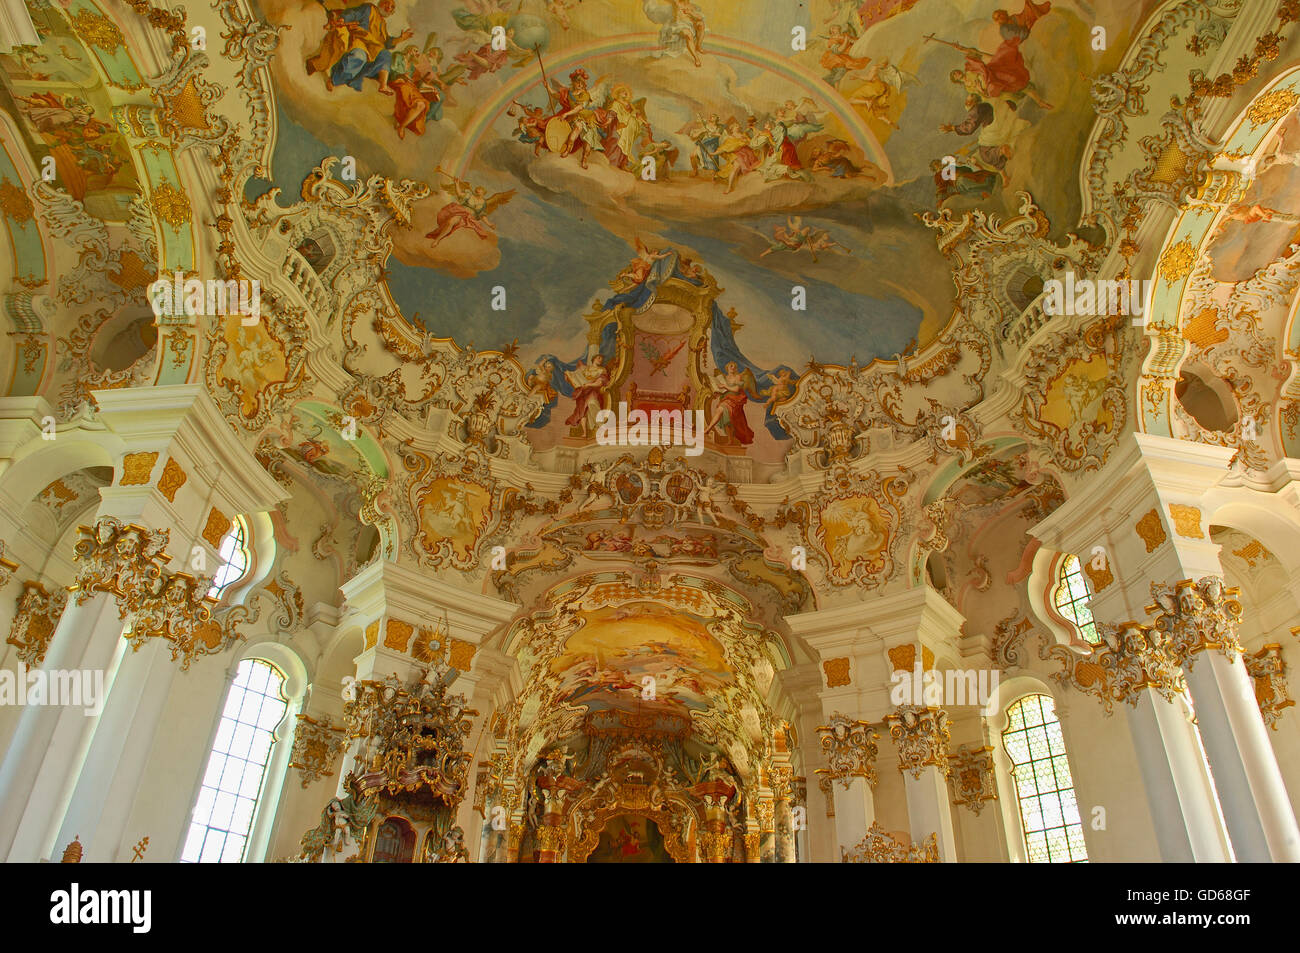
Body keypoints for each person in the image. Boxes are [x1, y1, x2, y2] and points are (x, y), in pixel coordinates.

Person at [327, 0, 414, 94]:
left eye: (392, 7)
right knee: (359, 57)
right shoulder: (369, 9)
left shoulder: (383, 23)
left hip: (373, 50)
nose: (389, 7)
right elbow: (354, 13)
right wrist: (344, 19)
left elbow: (387, 43)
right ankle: (334, 80)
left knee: (385, 54)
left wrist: (401, 38)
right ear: (380, 3)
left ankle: (383, 86)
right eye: (387, 3)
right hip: (361, 42)